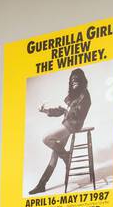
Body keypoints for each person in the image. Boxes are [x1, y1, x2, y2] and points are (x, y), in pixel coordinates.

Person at [29, 67, 91, 195]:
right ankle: (42, 185)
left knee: (46, 138)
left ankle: (67, 156)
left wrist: (66, 109)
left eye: (76, 79)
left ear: (82, 80)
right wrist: (45, 110)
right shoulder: (72, 96)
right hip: (67, 124)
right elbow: (61, 111)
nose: (74, 82)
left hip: (73, 125)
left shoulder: (85, 95)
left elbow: (78, 114)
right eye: (71, 80)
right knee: (55, 154)